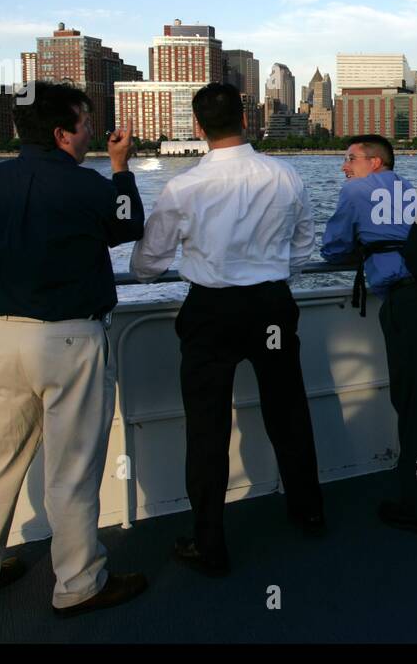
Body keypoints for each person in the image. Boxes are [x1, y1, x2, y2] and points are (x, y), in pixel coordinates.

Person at [0, 81, 148, 617]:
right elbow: (129, 224)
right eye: (86, 124)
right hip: (70, 340)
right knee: (71, 467)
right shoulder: (87, 186)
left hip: (2, 337)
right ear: (62, 134)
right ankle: (77, 584)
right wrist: (121, 167)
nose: (92, 133)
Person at [129, 83, 323, 576]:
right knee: (288, 411)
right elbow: (304, 243)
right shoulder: (285, 175)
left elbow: (148, 266)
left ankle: (210, 544)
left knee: (206, 426)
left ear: (198, 127)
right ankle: (309, 513)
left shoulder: (184, 187)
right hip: (271, 307)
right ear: (246, 118)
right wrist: (273, 275)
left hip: (211, 312)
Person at [320, 135, 417, 535]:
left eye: (351, 158)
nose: (344, 166)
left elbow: (332, 248)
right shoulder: (413, 192)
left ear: (375, 162)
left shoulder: (357, 191)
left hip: (414, 303)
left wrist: (363, 247)